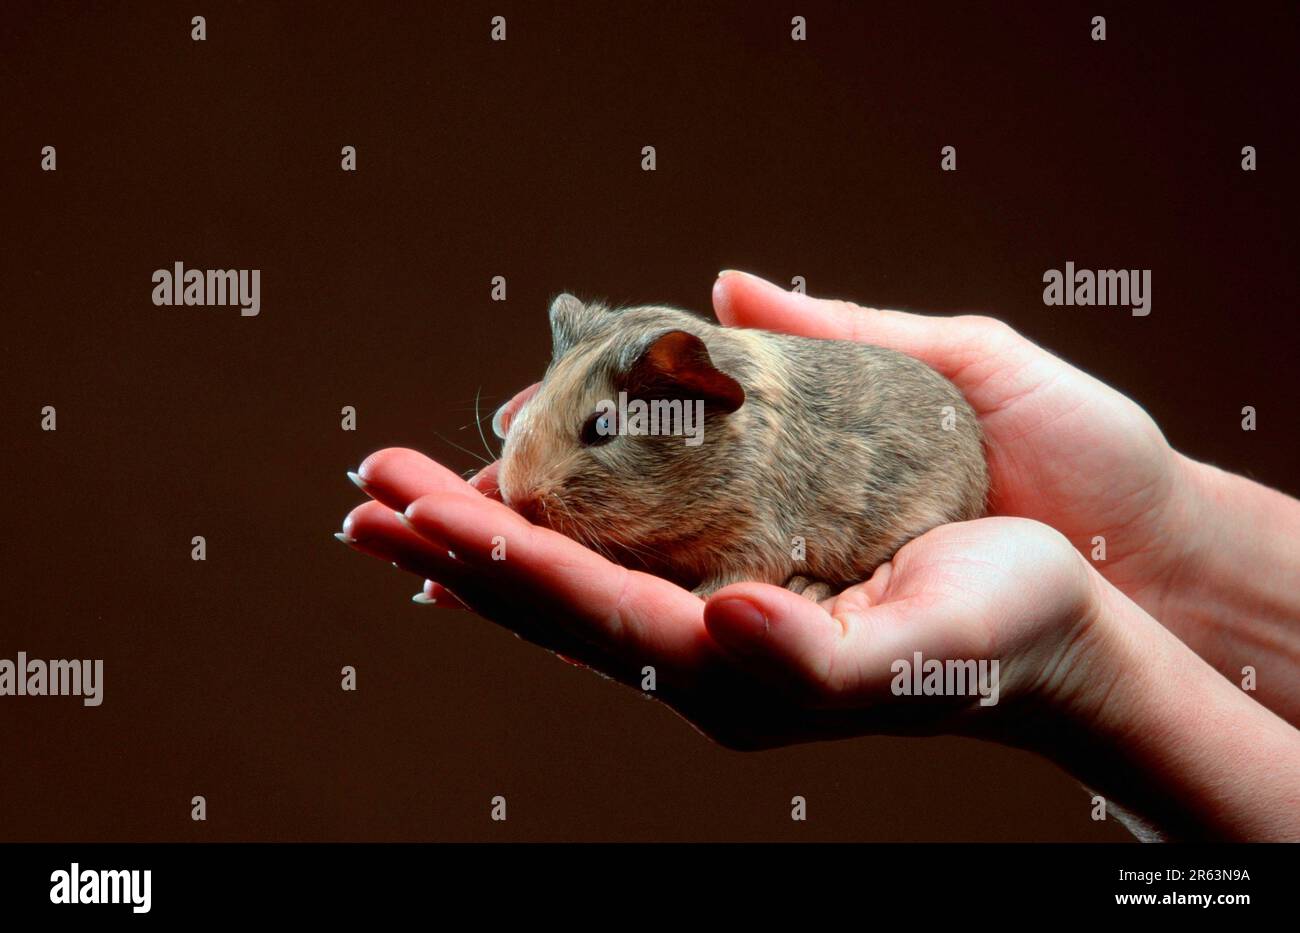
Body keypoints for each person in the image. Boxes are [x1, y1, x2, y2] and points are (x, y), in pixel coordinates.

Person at [339, 271, 1300, 841]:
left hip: (917, 487)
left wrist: (1088, 657)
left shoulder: (750, 446)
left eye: (590, 434)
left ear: (697, 404)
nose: (528, 489)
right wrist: (1168, 547)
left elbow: (751, 542)